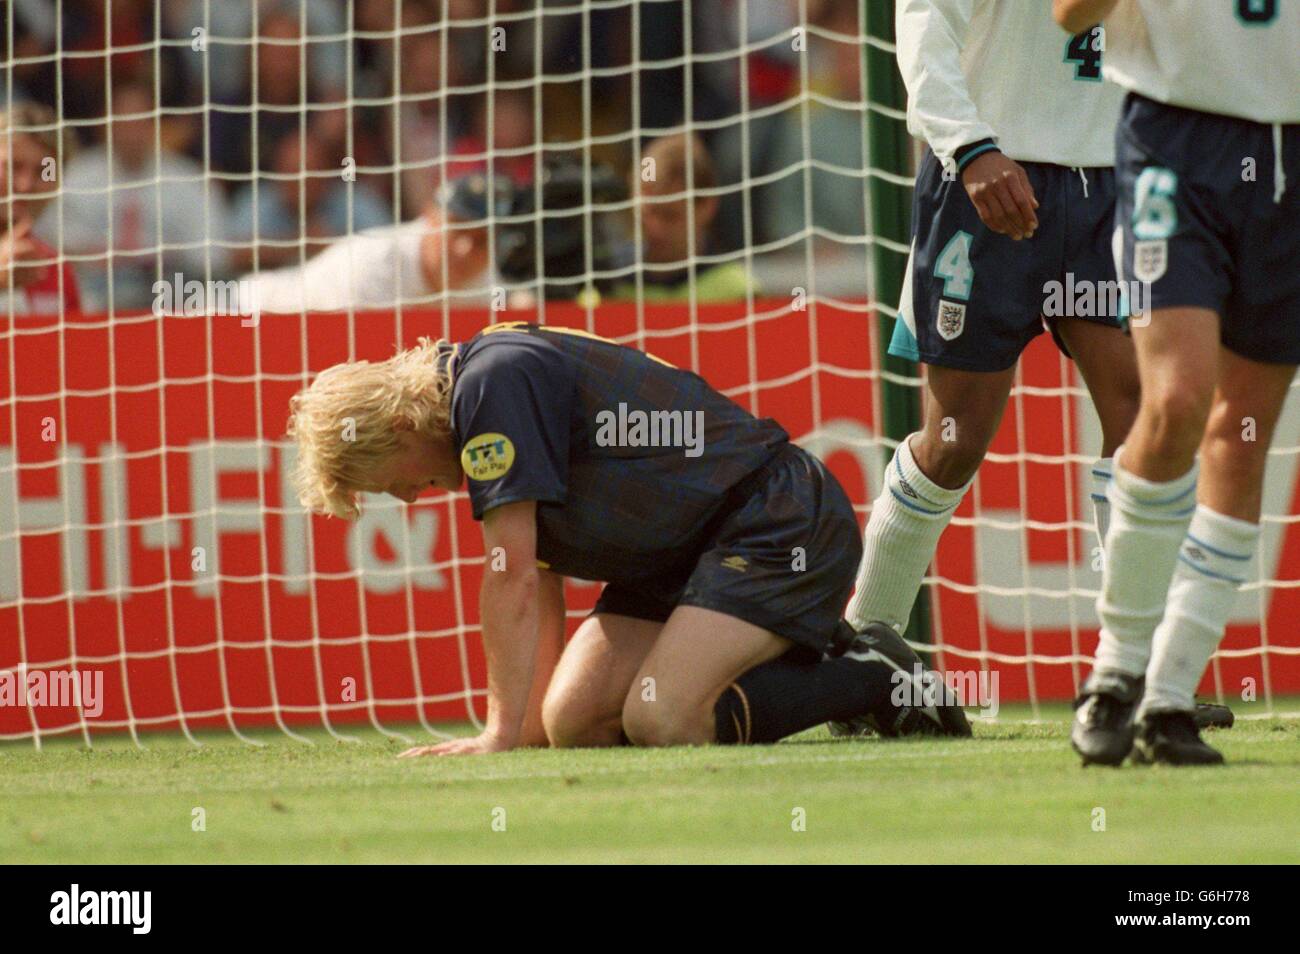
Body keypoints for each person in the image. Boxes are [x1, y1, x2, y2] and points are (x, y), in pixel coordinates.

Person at [286, 321, 970, 755]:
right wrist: (521, 731)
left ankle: (873, 676)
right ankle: (799, 659)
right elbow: (541, 575)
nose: (404, 499)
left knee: (662, 719)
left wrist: (495, 733)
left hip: (773, 519)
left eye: (386, 483)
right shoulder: (478, 397)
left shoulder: (490, 387)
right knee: (574, 723)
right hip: (683, 555)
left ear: (399, 430)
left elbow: (513, 575)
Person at [844, 2, 1139, 701]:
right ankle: (863, 642)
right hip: (983, 179)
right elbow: (922, 21)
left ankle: (1136, 668)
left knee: (1140, 413)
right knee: (955, 439)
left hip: (1112, 180)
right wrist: (969, 145)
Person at [1055, 0, 1299, 765]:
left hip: (1290, 151)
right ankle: (1115, 672)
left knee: (1243, 432)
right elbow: (1069, 15)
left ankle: (1170, 697)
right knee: (1177, 399)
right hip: (1176, 136)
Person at [240, 173, 504, 313]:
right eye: (457, 230)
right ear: (429, 219)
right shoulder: (379, 261)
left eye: (481, 241)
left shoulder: (486, 282)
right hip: (249, 309)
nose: (465, 249)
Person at [609, 133, 757, 302]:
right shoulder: (608, 281)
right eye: (646, 213)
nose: (654, 228)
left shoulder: (736, 292)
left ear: (707, 206)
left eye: (669, 216)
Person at [1, 102, 81, 314]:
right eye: (13, 166)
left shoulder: (55, 270)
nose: (25, 185)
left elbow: (75, 345)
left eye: (43, 172)